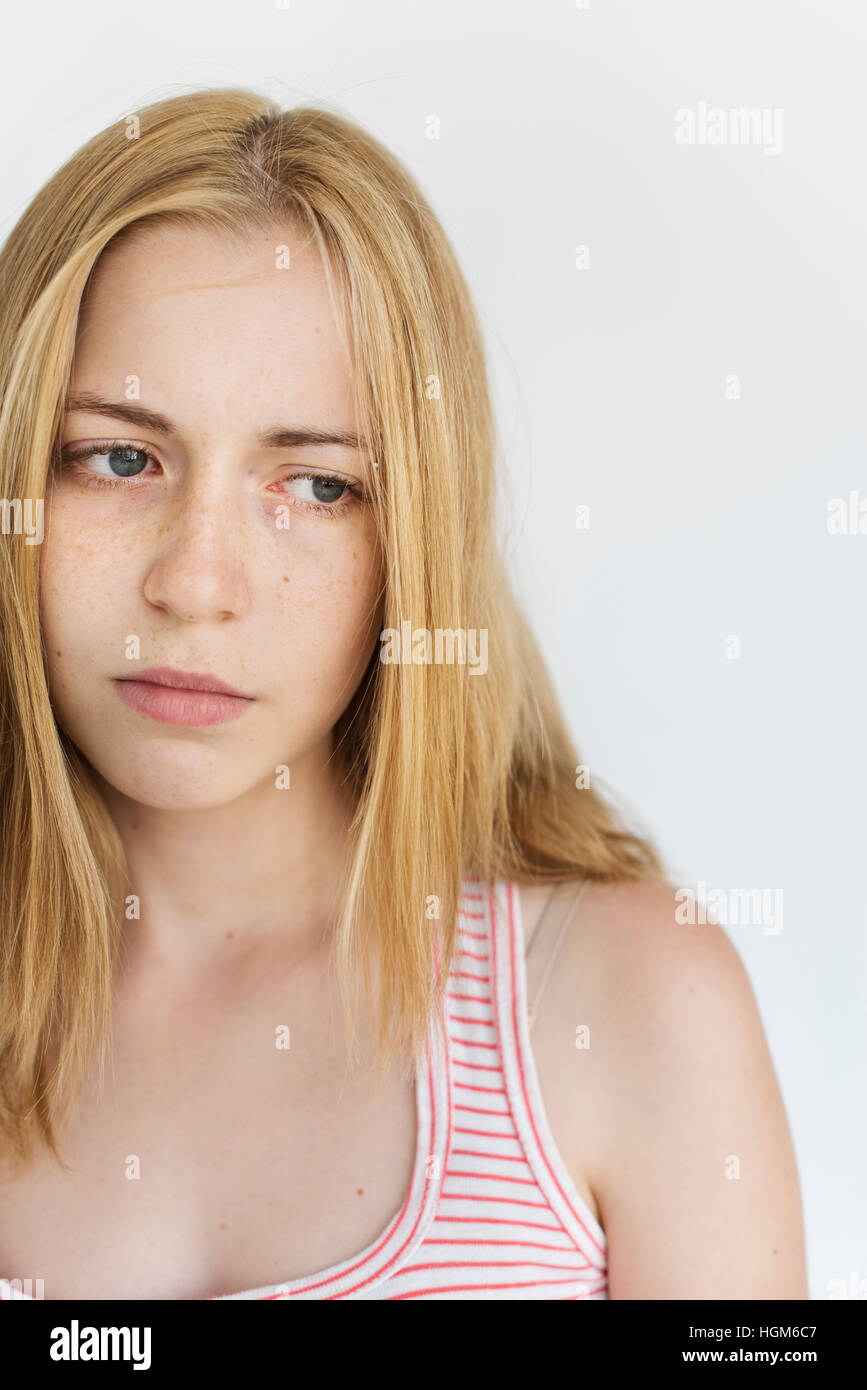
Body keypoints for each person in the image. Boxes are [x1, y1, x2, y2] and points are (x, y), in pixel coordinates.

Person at [0, 88, 807, 1301]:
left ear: (411, 544)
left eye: (317, 486)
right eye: (121, 457)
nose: (197, 582)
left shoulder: (630, 1002)